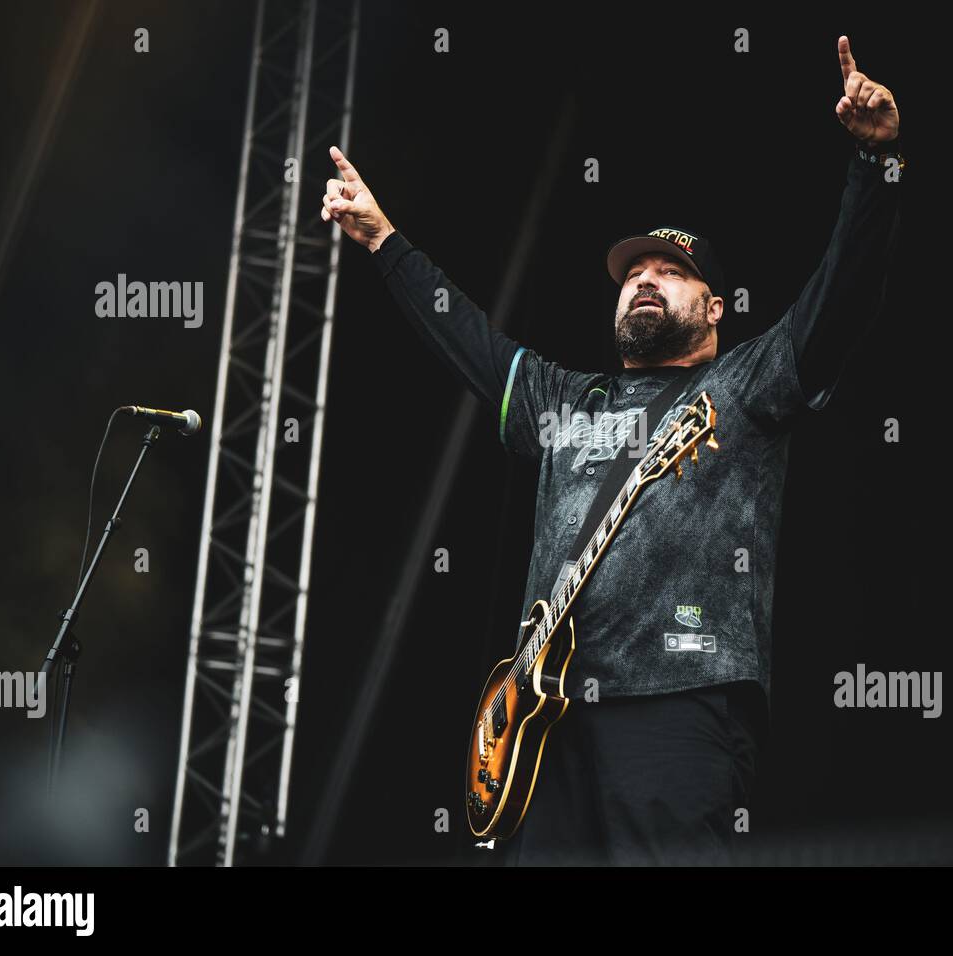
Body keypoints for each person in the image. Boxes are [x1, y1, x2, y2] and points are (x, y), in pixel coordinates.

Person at [321, 35, 904, 866]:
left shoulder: (742, 387)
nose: (643, 278)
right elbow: (473, 344)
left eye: (670, 271)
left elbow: (838, 302)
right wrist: (385, 242)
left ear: (713, 309)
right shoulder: (565, 400)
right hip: (545, 720)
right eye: (635, 270)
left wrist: (873, 166)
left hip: (679, 700)